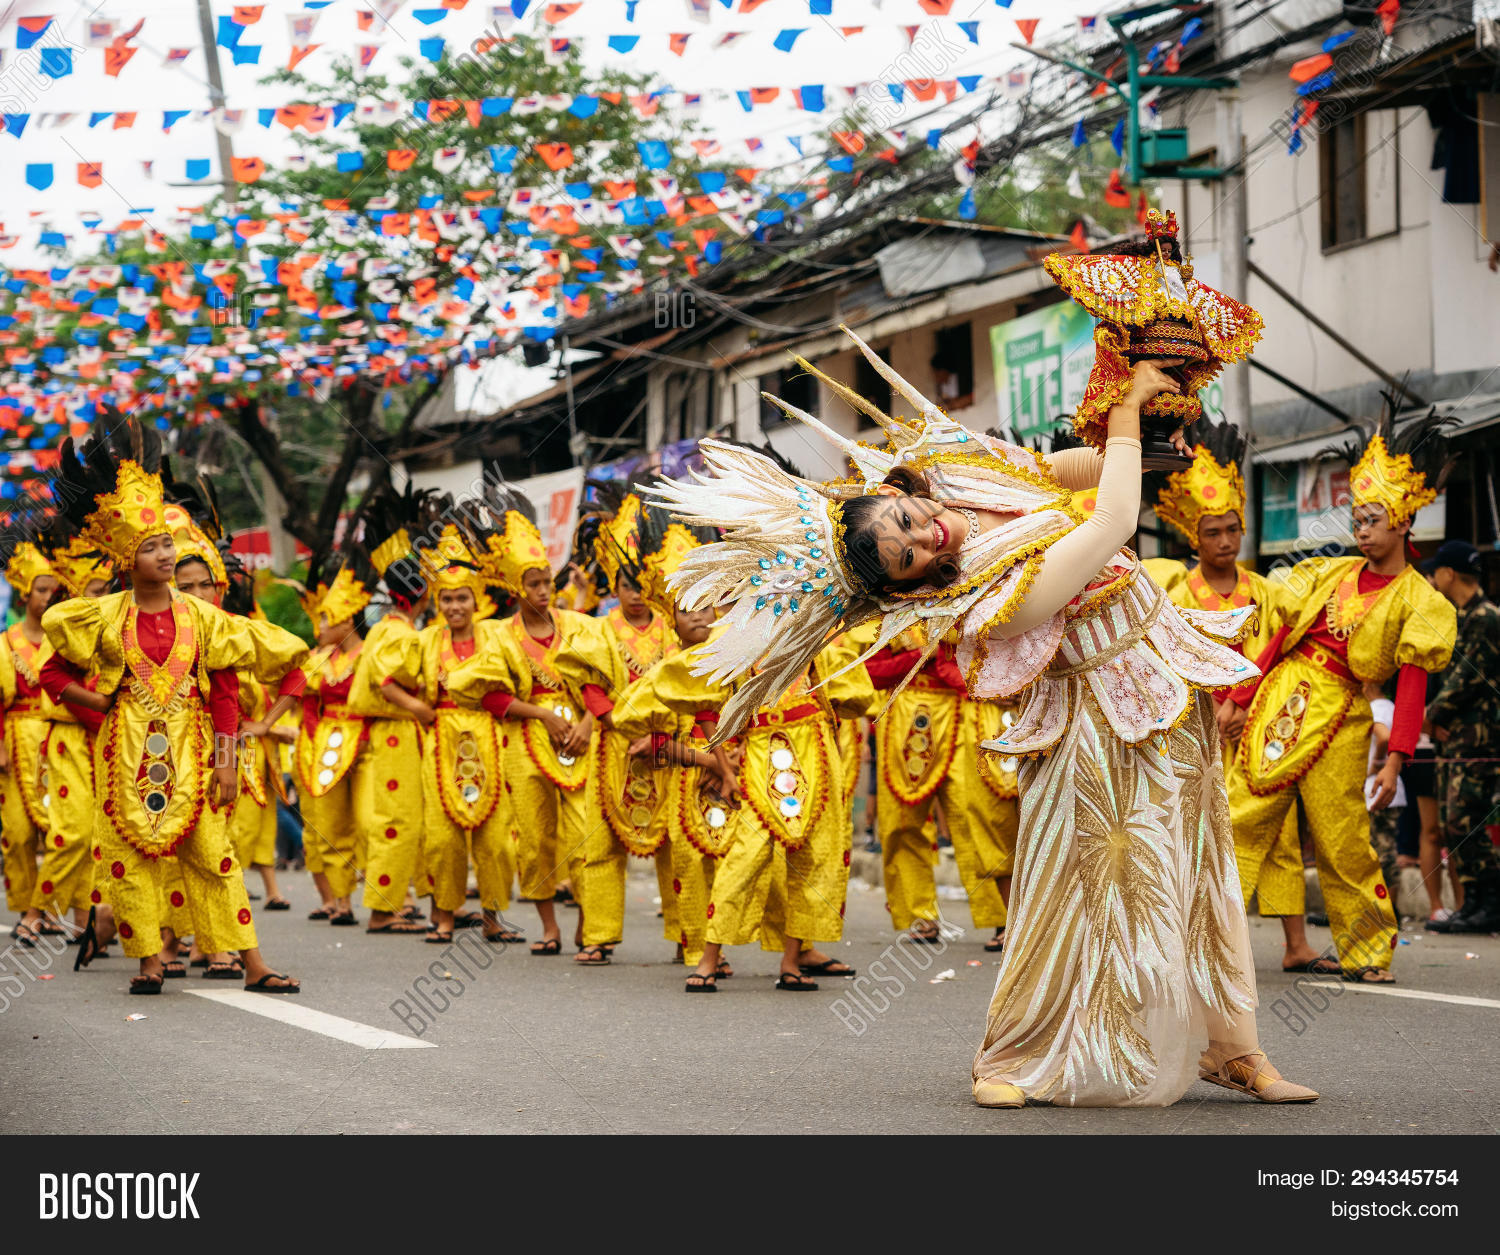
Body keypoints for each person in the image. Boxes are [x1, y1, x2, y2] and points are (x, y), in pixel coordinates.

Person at [652, 223, 1315, 1106]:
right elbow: (1112, 524)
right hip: (1084, 720)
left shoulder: (955, 474)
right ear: (908, 587)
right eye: (909, 557)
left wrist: (1151, 434)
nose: (926, 538)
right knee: (1072, 883)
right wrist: (1124, 418)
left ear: (895, 494)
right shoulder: (984, 596)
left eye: (907, 523)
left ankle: (1234, 1047)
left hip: (1162, 676)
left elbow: (1063, 477)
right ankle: (1010, 1055)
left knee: (1201, 864)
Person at [41, 415, 304, 995]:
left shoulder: (204, 617)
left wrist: (229, 760)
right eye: (153, 546)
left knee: (216, 855)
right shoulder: (104, 617)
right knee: (127, 861)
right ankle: (149, 962)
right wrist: (101, 705)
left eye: (168, 544)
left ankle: (253, 964)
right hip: (122, 759)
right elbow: (52, 672)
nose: (165, 555)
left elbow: (229, 693)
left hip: (194, 753)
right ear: (128, 559)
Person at [1224, 405, 1458, 982]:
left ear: (1403, 523)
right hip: (1284, 698)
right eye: (1357, 518)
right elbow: (1278, 637)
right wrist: (1239, 696)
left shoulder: (1417, 600)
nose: (1362, 527)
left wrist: (1396, 760)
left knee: (1343, 838)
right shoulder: (1329, 574)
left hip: (1346, 716)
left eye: (1374, 518)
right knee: (1236, 817)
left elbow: (1411, 684)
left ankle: (1368, 950)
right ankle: (1192, 940)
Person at [1143, 418, 1313, 972]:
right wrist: (1209, 707)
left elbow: (1281, 656)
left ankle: (1296, 943)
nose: (1224, 541)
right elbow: (1160, 651)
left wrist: (1244, 706)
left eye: (1232, 530)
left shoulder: (1264, 591)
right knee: (1190, 834)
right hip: (1193, 729)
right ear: (1193, 536)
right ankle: (1201, 940)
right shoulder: (1172, 588)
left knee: (1281, 830)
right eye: (1212, 532)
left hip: (1258, 729)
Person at [445, 490, 617, 956]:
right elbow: (487, 694)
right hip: (525, 742)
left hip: (583, 740)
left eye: (548, 582)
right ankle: (549, 926)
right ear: (518, 590)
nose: (545, 591)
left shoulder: (583, 626)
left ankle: (589, 922)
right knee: (536, 836)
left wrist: (586, 720)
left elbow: (606, 681)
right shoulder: (500, 636)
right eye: (536, 584)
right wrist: (540, 713)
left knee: (587, 833)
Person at [605, 502, 730, 971]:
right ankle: (698, 947)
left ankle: (726, 945)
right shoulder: (666, 673)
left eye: (706, 606)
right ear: (671, 620)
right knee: (690, 864)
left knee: (730, 862)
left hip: (737, 774)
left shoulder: (736, 661)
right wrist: (700, 760)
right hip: (685, 783)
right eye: (686, 610)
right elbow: (639, 735)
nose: (699, 617)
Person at [386, 521, 521, 946]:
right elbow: (388, 683)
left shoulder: (496, 636)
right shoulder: (425, 641)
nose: (455, 606)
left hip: (489, 737)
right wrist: (420, 709)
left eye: (463, 597)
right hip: (441, 739)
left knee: (496, 838)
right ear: (438, 602)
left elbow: (517, 680)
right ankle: (442, 915)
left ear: (476, 599)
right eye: (447, 598)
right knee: (443, 838)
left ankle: (493, 918)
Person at [858, 617, 1018, 952]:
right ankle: (920, 916)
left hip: (970, 712)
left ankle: (1006, 918)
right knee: (902, 821)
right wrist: (920, 657)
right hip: (906, 716)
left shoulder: (973, 603)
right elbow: (870, 673)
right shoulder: (889, 615)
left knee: (985, 815)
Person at [348, 484, 434, 936]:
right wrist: (422, 709)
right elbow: (387, 683)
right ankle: (383, 910)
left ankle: (397, 902)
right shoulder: (398, 633)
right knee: (396, 822)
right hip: (398, 734)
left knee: (403, 821)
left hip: (395, 735)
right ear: (418, 594)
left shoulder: (385, 628)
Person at [0, 533, 76, 946]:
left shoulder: (61, 641)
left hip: (55, 738)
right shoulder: (5, 643)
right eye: (41, 590)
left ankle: (45, 911)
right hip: (15, 741)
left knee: (59, 829)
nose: (49, 597)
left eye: (54, 590)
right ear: (25, 593)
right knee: (19, 832)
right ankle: (28, 905)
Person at [285, 566, 371, 928]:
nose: (319, 625)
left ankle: (396, 896)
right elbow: (304, 704)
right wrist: (314, 748)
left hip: (368, 746)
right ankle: (342, 900)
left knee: (370, 822)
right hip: (326, 747)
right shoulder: (319, 660)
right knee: (331, 825)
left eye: (326, 617)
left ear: (347, 618)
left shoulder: (370, 654)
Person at [1423, 540, 1500, 934]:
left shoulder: (1485, 617)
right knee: (1454, 823)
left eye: (1436, 571)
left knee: (1464, 819)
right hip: (1454, 739)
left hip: (1478, 740)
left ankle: (1491, 900)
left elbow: (1464, 679)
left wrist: (1428, 715)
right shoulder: (1462, 617)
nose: (1432, 578)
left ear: (1449, 574)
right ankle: (1473, 903)